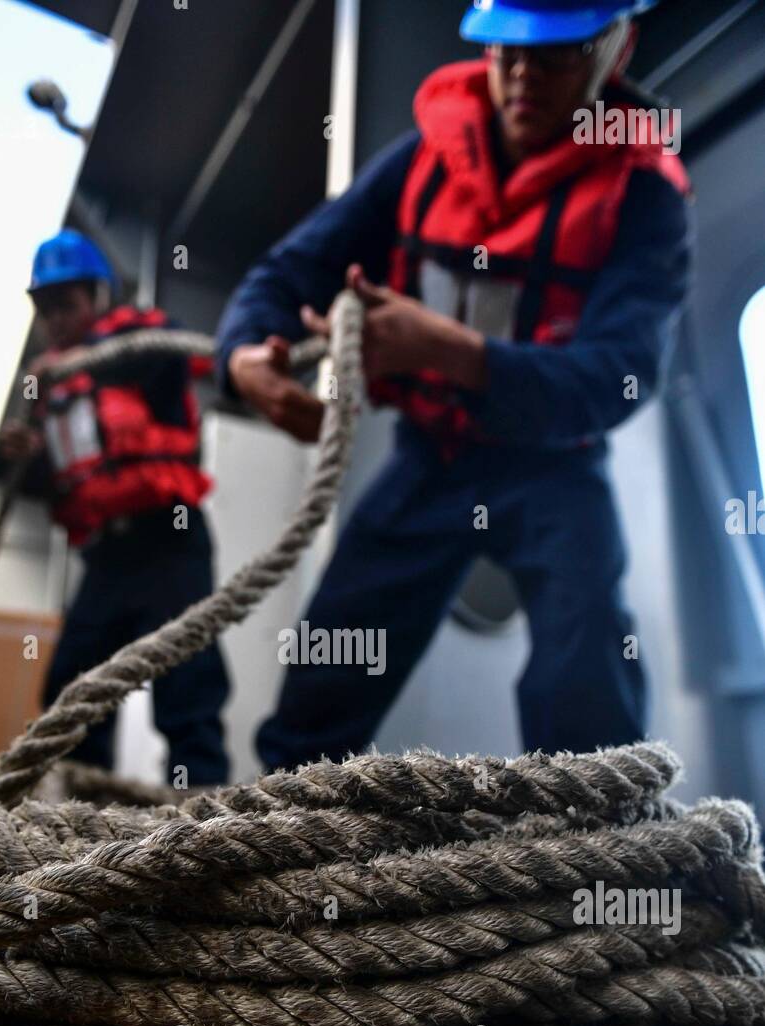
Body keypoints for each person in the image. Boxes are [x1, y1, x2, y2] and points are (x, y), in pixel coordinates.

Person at [217, 0, 691, 771]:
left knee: (587, 661)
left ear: (618, 45)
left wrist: (455, 353)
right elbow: (287, 272)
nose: (522, 77)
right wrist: (243, 359)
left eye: (555, 55)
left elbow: (620, 376)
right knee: (334, 654)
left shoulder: (645, 197)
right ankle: (283, 836)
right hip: (431, 456)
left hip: (556, 469)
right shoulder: (420, 161)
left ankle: (597, 858)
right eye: (506, 51)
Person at [0, 229, 229, 786]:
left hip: (169, 539)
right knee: (72, 693)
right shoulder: (48, 388)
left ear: (100, 297)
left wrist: (85, 361)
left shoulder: (142, 342)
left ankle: (207, 820)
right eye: (46, 310)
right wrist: (24, 458)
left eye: (67, 304)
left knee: (187, 684)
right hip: (106, 557)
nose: (56, 320)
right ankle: (78, 820)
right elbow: (59, 483)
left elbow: (170, 356)